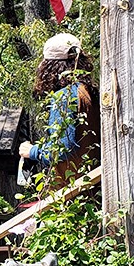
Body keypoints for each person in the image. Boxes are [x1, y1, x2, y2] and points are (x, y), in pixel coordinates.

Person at [18, 33, 100, 186]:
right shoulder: (91, 94)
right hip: (95, 184)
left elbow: (62, 149)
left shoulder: (64, 97)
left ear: (51, 67)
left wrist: (32, 151)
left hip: (71, 189)